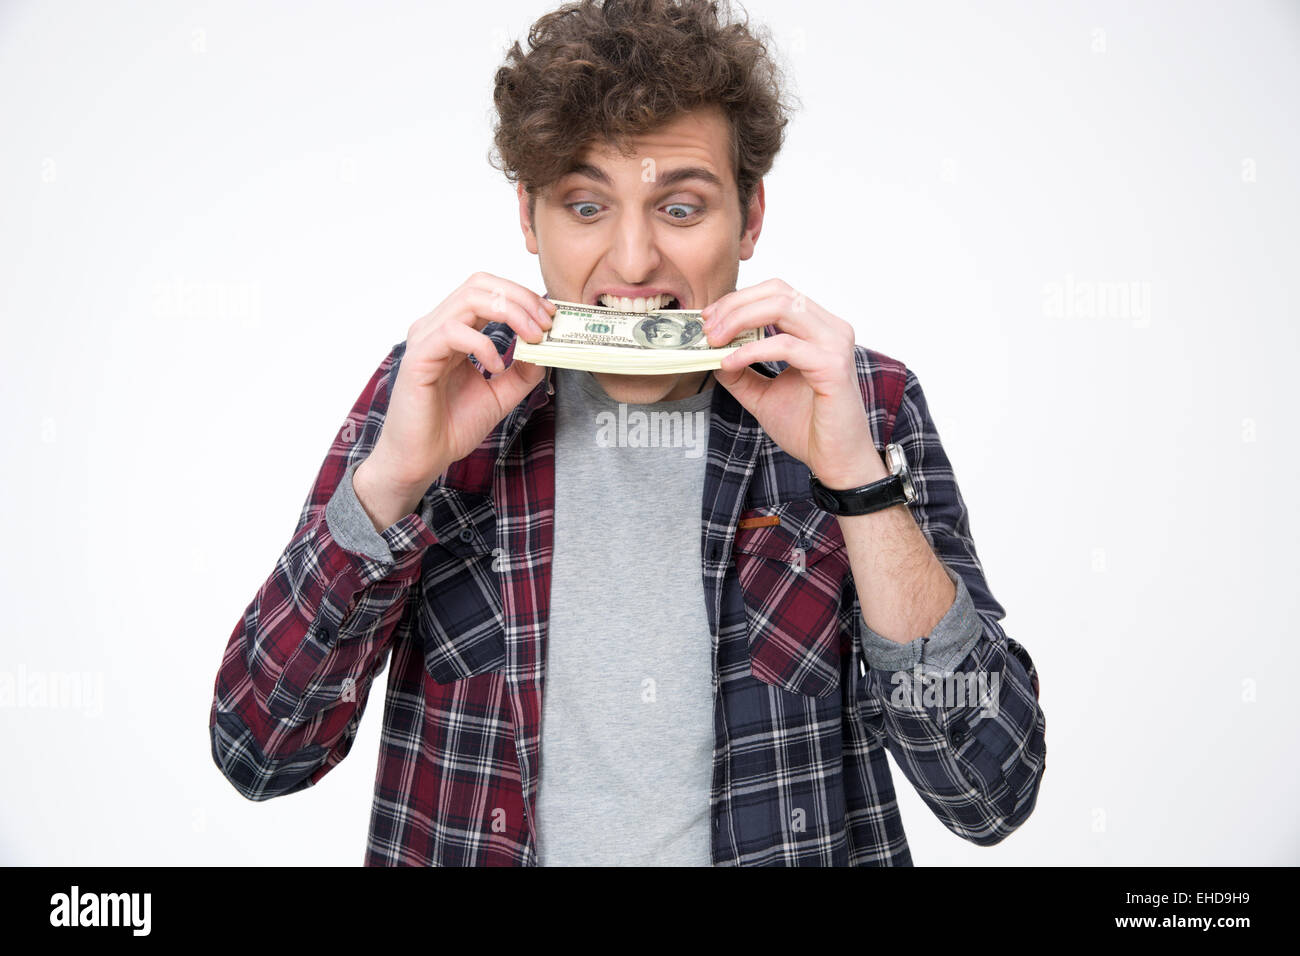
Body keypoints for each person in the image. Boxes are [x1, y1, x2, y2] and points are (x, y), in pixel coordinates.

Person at [208, 0, 1046, 866]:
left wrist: (859, 486)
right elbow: (260, 752)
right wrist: (390, 484)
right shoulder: (431, 394)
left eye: (681, 208)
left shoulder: (862, 404)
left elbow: (992, 791)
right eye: (585, 205)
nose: (636, 263)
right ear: (527, 218)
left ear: (751, 216)